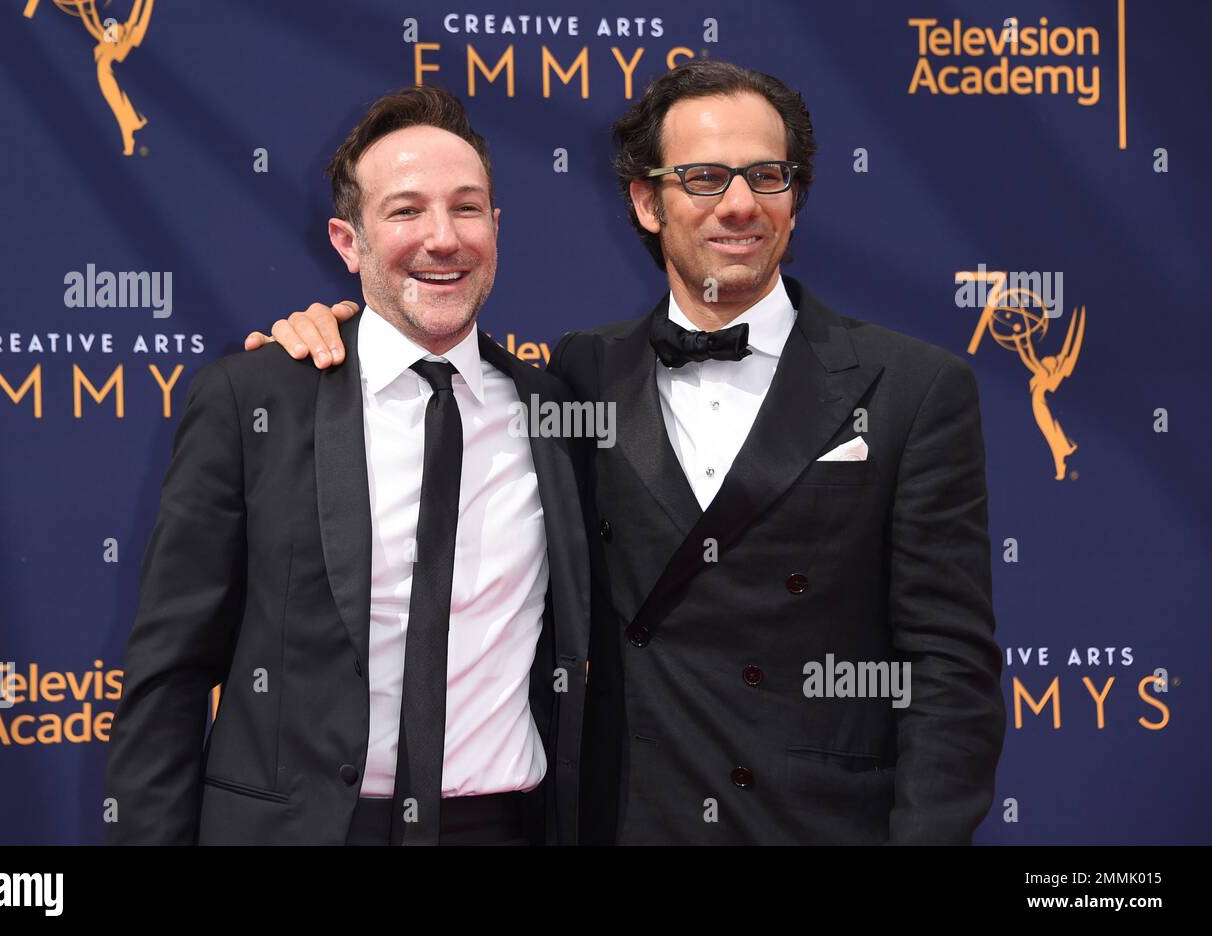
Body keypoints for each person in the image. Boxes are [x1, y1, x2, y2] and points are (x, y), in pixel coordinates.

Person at [246, 61, 1006, 844]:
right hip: (627, 821)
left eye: (767, 176)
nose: (740, 204)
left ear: (795, 197)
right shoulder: (578, 376)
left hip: (818, 824)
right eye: (705, 177)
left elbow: (950, 669)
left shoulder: (913, 388)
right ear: (648, 201)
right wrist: (328, 338)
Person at [105, 85, 590, 846]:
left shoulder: (559, 412)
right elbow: (169, 670)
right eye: (404, 211)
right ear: (347, 241)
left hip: (507, 827)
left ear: (495, 230)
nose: (442, 238)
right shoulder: (254, 399)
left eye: (467, 209)